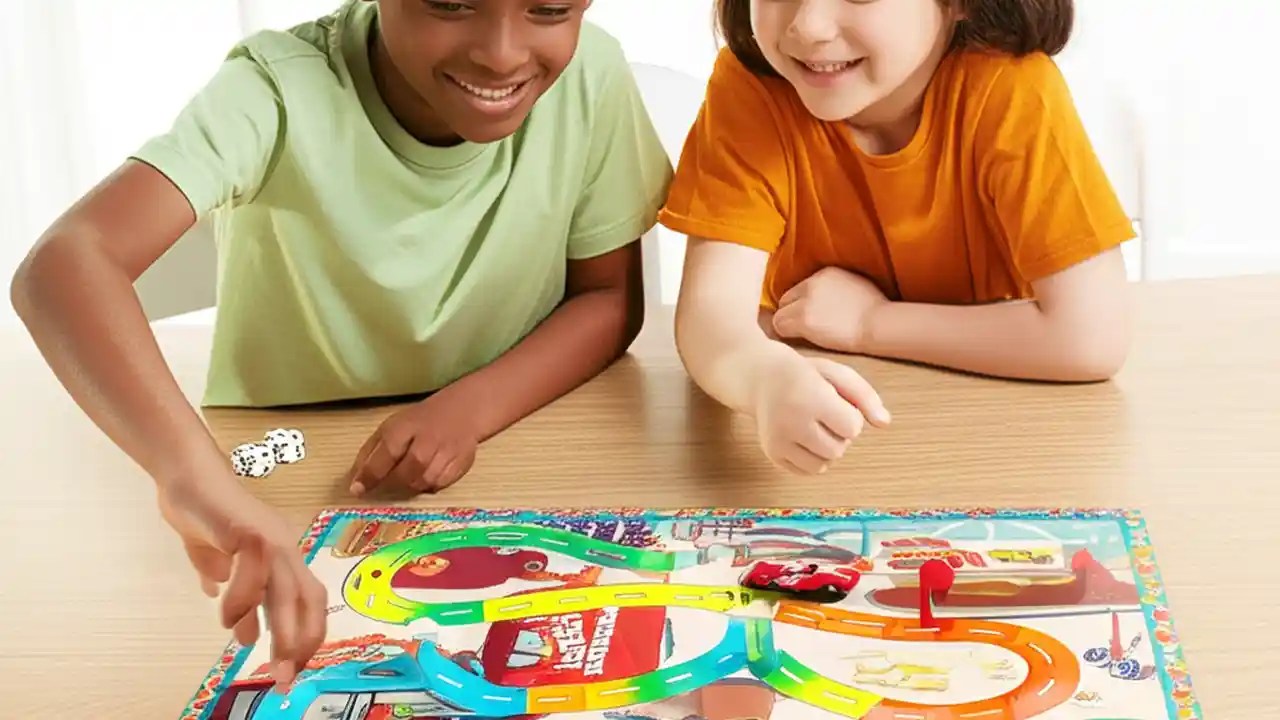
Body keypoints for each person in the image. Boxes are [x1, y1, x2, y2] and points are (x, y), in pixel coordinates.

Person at [9, 0, 671, 690]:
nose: (502, 54)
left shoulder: (592, 71)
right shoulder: (275, 88)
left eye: (550, 9)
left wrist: (468, 409)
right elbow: (61, 265)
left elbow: (609, 298)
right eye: (450, 4)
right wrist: (193, 479)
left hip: (510, 458)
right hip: (287, 469)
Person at [657, 0, 1133, 475]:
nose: (808, 25)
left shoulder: (1012, 89)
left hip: (995, 444)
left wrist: (872, 323)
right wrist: (763, 380)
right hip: (834, 452)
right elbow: (710, 320)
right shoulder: (751, 89)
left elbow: (1090, 338)